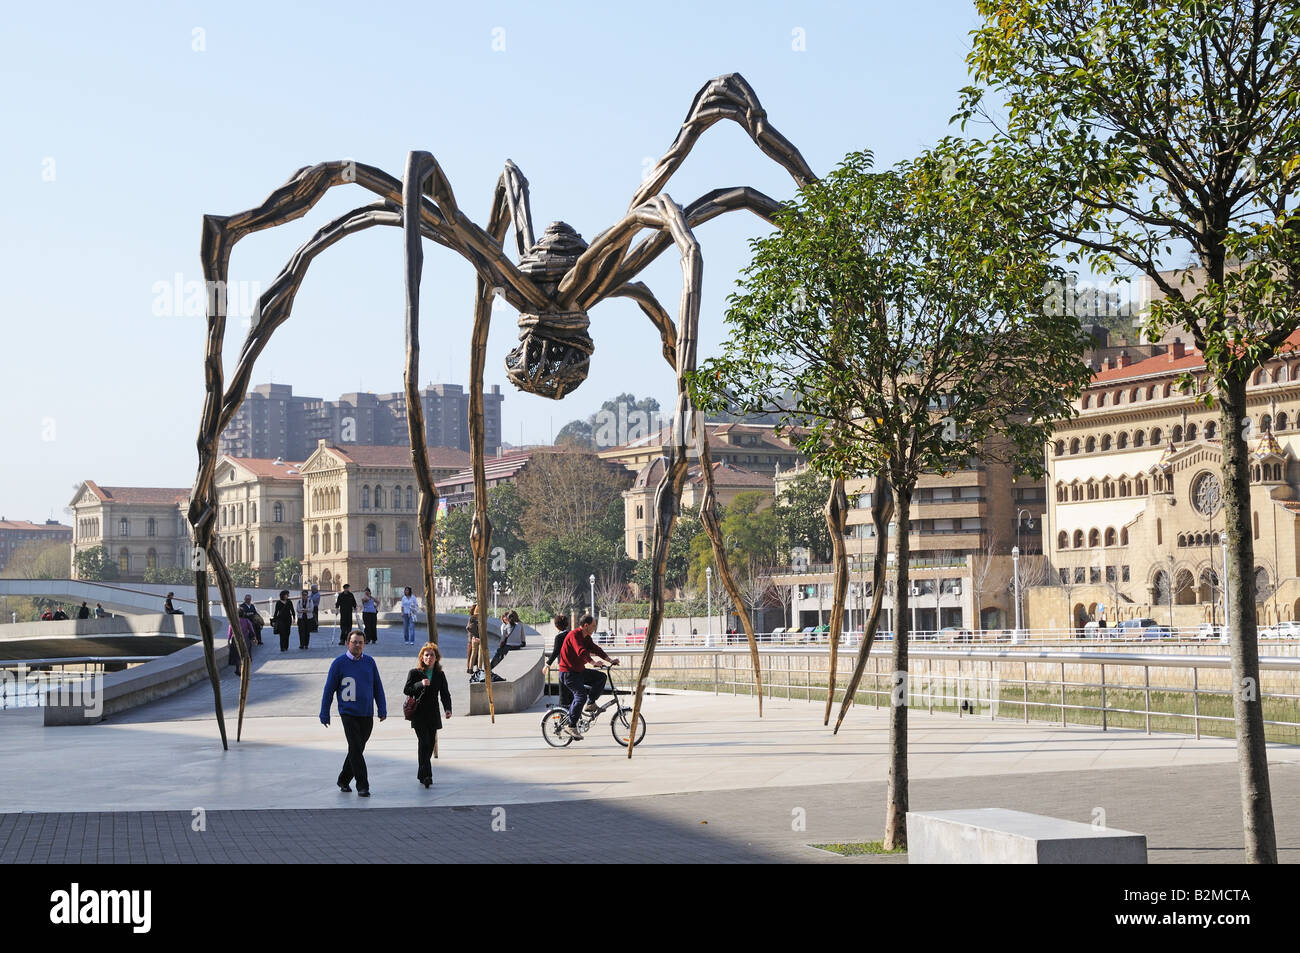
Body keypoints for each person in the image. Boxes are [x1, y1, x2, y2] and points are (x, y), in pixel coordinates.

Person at [320, 630, 387, 797]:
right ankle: (362, 785)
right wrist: (324, 713)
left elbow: (378, 687)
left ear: (364, 644)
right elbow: (329, 689)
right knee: (356, 748)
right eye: (354, 642)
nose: (357, 645)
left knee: (357, 748)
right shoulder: (339, 663)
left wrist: (382, 708)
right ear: (348, 643)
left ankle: (343, 779)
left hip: (366, 713)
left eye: (360, 642)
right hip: (348, 713)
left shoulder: (370, 662)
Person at [556, 614, 617, 740]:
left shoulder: (586, 637)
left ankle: (591, 703)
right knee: (581, 695)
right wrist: (593, 663)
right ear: (586, 626)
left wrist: (610, 660)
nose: (595, 628)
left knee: (601, 678)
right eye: (593, 626)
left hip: (579, 671)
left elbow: (596, 649)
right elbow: (581, 652)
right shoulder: (574, 635)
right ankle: (571, 725)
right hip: (568, 673)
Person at [403, 642, 452, 788]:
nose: (429, 657)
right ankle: (427, 775)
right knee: (423, 742)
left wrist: (448, 709)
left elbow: (445, 694)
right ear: (421, 657)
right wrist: (420, 684)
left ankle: (421, 772)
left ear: (436, 658)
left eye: (432, 655)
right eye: (426, 655)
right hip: (418, 714)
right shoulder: (414, 673)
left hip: (433, 713)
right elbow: (407, 690)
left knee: (429, 745)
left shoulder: (439, 674)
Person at [543, 613, 572, 708]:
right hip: (574, 668)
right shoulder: (571, 635)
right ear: (567, 624)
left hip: (564, 668)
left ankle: (563, 716)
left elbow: (555, 652)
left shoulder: (559, 637)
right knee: (572, 693)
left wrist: (547, 665)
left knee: (563, 694)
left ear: (556, 626)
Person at [465, 602, 480, 675]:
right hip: (472, 639)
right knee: (473, 654)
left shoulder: (472, 618)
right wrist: (475, 635)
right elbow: (469, 628)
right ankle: (470, 668)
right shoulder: (472, 618)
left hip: (472, 639)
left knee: (473, 654)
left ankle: (471, 668)